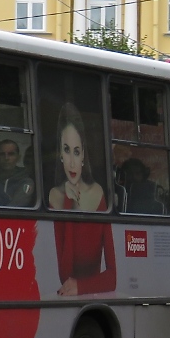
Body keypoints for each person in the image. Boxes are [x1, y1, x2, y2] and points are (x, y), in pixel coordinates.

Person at [48, 103, 115, 296]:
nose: (72, 162)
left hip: (95, 297)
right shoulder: (55, 196)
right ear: (60, 154)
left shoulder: (98, 194)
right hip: (68, 299)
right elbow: (65, 275)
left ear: (84, 154)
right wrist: (69, 206)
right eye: (66, 150)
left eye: (77, 152)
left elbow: (113, 277)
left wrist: (83, 286)